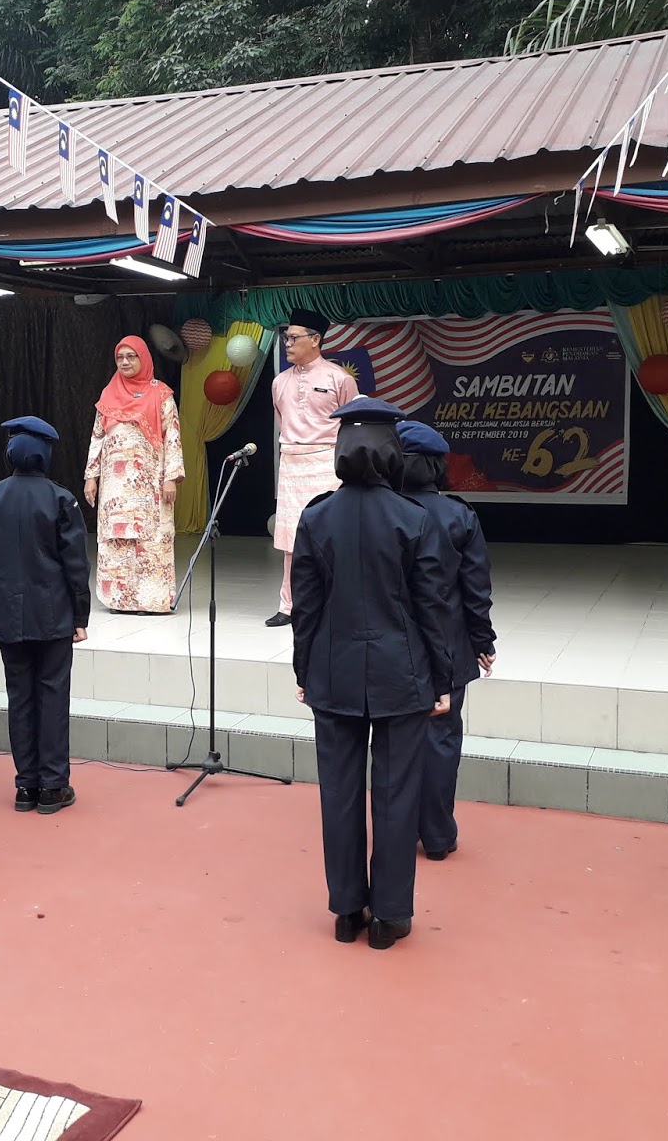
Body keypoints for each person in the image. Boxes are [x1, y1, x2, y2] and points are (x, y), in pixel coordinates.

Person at [291, 398, 454, 951]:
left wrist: (302, 670)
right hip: (402, 675)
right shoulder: (415, 518)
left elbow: (305, 608)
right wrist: (442, 679)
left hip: (332, 675)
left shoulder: (315, 517)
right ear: (392, 456)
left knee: (338, 794)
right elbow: (433, 607)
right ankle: (389, 915)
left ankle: (346, 909)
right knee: (395, 792)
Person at [0, 416, 90, 814]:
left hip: (7, 615)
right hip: (54, 615)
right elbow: (75, 564)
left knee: (19, 699)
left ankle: (25, 786)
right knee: (53, 698)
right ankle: (53, 786)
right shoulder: (61, 499)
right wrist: (81, 615)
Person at [397, 420, 496, 861]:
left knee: (394, 742)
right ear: (437, 467)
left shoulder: (382, 511)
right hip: (449, 648)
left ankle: (396, 829)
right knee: (441, 742)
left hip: (394, 647)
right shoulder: (459, 515)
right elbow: (476, 590)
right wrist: (482, 640)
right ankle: (437, 836)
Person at [268, 308, 358, 627]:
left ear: (315, 340)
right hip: (292, 461)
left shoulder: (339, 378)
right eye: (286, 337)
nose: (287, 343)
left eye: (294, 337)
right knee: (291, 539)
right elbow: (283, 423)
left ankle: (338, 602)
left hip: (327, 462)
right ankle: (288, 605)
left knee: (331, 537)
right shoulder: (279, 382)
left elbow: (353, 425)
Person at [84, 335, 183, 613]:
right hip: (115, 486)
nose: (125, 362)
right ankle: (119, 600)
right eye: (120, 357)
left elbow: (173, 437)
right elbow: (97, 437)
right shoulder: (108, 394)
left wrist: (170, 478)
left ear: (144, 358)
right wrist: (91, 476)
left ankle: (150, 601)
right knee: (117, 539)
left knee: (149, 541)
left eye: (131, 356)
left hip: (149, 483)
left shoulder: (160, 393)